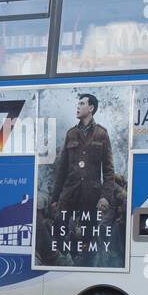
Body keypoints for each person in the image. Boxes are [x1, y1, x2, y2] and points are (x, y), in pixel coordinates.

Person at [49, 93, 116, 238]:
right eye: (78, 104)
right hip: (69, 196)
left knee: (88, 240)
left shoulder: (102, 134)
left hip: (91, 197)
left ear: (91, 108)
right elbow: (62, 169)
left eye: (81, 104)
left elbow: (108, 170)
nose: (77, 107)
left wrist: (105, 197)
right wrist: (55, 199)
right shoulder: (71, 134)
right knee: (61, 236)